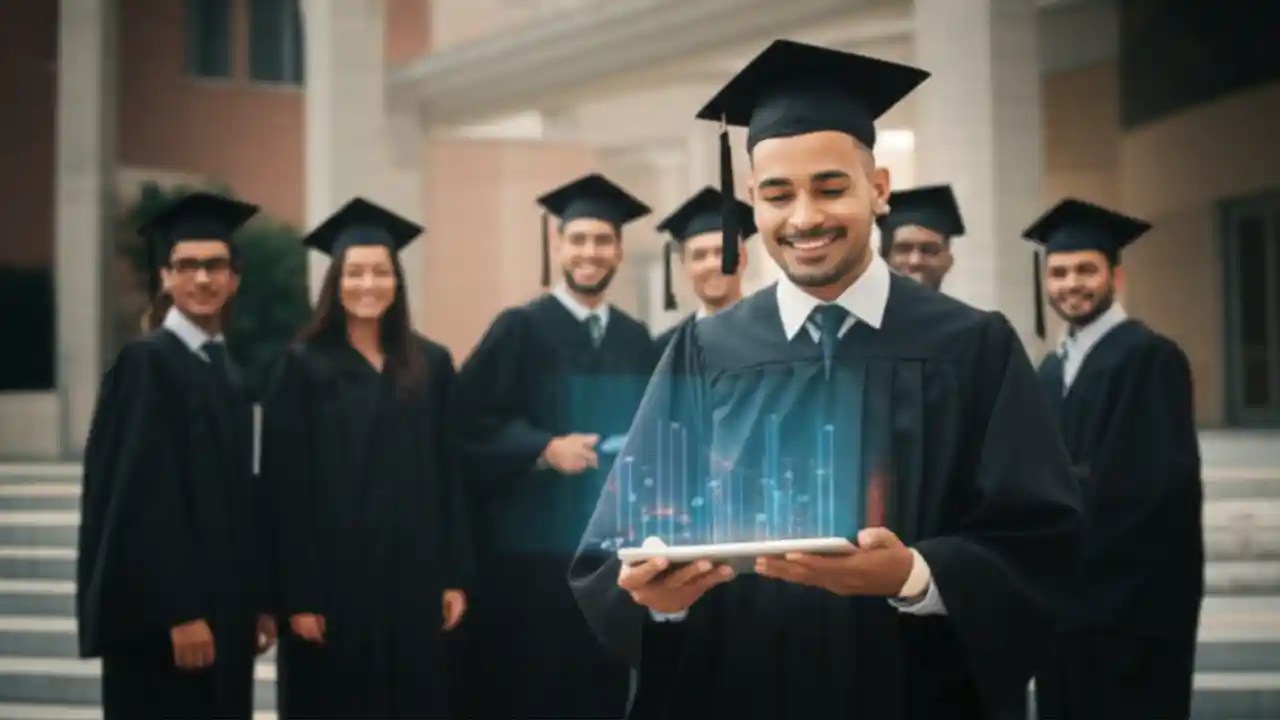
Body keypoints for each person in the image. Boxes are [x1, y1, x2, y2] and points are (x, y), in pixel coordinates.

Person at [569, 39, 1083, 720]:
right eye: (778, 194)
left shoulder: (970, 345)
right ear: (752, 202)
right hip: (739, 690)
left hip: (914, 693)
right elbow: (616, 543)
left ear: (879, 188)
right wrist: (656, 600)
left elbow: (1039, 539)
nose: (805, 217)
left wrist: (915, 575)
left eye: (831, 187)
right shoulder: (706, 349)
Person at [455, 172, 657, 718]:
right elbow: (466, 424)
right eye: (579, 240)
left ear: (618, 250)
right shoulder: (519, 328)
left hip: (608, 557)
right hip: (529, 566)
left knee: (603, 690)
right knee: (531, 690)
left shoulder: (634, 338)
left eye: (602, 241)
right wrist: (543, 449)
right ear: (558, 245)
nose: (590, 252)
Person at [261, 197, 472, 718]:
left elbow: (452, 478)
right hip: (334, 587)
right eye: (354, 272)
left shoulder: (432, 364)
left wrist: (454, 575)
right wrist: (299, 595)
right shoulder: (302, 367)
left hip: (413, 581)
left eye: (380, 272)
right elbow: (283, 489)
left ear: (397, 282)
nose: (368, 284)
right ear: (335, 283)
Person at [77, 192, 276, 719]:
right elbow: (139, 502)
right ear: (165, 277)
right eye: (187, 265)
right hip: (170, 627)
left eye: (215, 265)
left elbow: (238, 498)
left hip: (225, 616)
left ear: (234, 279)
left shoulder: (224, 371)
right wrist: (178, 613)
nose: (203, 279)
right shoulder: (145, 365)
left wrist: (256, 600)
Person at [1026, 199, 1204, 720]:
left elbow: (1154, 487)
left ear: (1115, 277)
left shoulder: (1150, 356)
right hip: (1065, 604)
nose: (1070, 283)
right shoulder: (1050, 369)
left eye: (1086, 269)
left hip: (1131, 606)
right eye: (1058, 272)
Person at [654, 186, 756, 349]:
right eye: (699, 256)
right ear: (684, 266)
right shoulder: (667, 349)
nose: (712, 264)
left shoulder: (777, 335)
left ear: (743, 258)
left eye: (722, 252)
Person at [876, 183, 965, 291]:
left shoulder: (959, 309)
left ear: (948, 261)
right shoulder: (863, 307)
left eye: (929, 250)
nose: (915, 261)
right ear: (885, 258)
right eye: (904, 249)